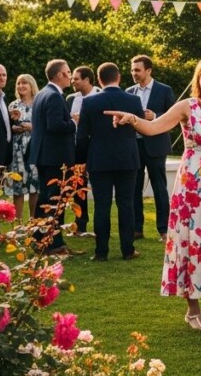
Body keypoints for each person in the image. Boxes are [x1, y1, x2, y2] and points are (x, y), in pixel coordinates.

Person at [106, 57, 201, 331]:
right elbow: (154, 128)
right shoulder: (187, 107)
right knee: (193, 241)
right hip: (193, 186)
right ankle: (192, 310)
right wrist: (132, 119)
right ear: (198, 80)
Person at [77, 63, 144, 262]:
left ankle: (101, 251)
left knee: (102, 205)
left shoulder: (89, 102)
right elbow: (141, 128)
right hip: (127, 159)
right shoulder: (133, 100)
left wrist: (81, 160)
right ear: (119, 77)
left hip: (99, 159)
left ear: (99, 79)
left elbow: (81, 137)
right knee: (126, 204)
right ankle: (128, 250)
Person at [29, 59, 83, 257]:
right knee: (55, 201)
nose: (70, 76)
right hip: (55, 157)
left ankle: (40, 239)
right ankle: (54, 244)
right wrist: (74, 123)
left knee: (46, 198)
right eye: (68, 72)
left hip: (45, 155)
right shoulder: (53, 96)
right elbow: (55, 126)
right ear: (59, 75)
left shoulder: (42, 94)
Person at [126, 55, 177, 242]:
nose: (133, 73)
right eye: (132, 70)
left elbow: (174, 115)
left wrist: (155, 115)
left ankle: (164, 230)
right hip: (134, 145)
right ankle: (136, 229)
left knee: (159, 188)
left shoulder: (164, 90)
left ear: (148, 70)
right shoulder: (129, 92)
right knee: (134, 188)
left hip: (156, 145)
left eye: (137, 70)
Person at [67, 66, 102, 237]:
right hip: (76, 149)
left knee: (98, 187)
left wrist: (84, 121)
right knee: (77, 187)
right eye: (72, 78)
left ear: (87, 80)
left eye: (76, 79)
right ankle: (80, 224)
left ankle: (100, 226)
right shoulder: (70, 99)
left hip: (96, 148)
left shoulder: (101, 96)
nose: (72, 81)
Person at [7, 74, 40, 222]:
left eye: (24, 83)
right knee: (18, 187)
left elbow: (45, 126)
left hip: (35, 148)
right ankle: (18, 223)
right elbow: (7, 127)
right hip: (17, 149)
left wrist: (32, 127)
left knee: (35, 187)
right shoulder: (13, 105)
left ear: (31, 85)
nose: (21, 86)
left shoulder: (39, 103)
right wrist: (14, 128)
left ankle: (33, 221)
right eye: (18, 83)